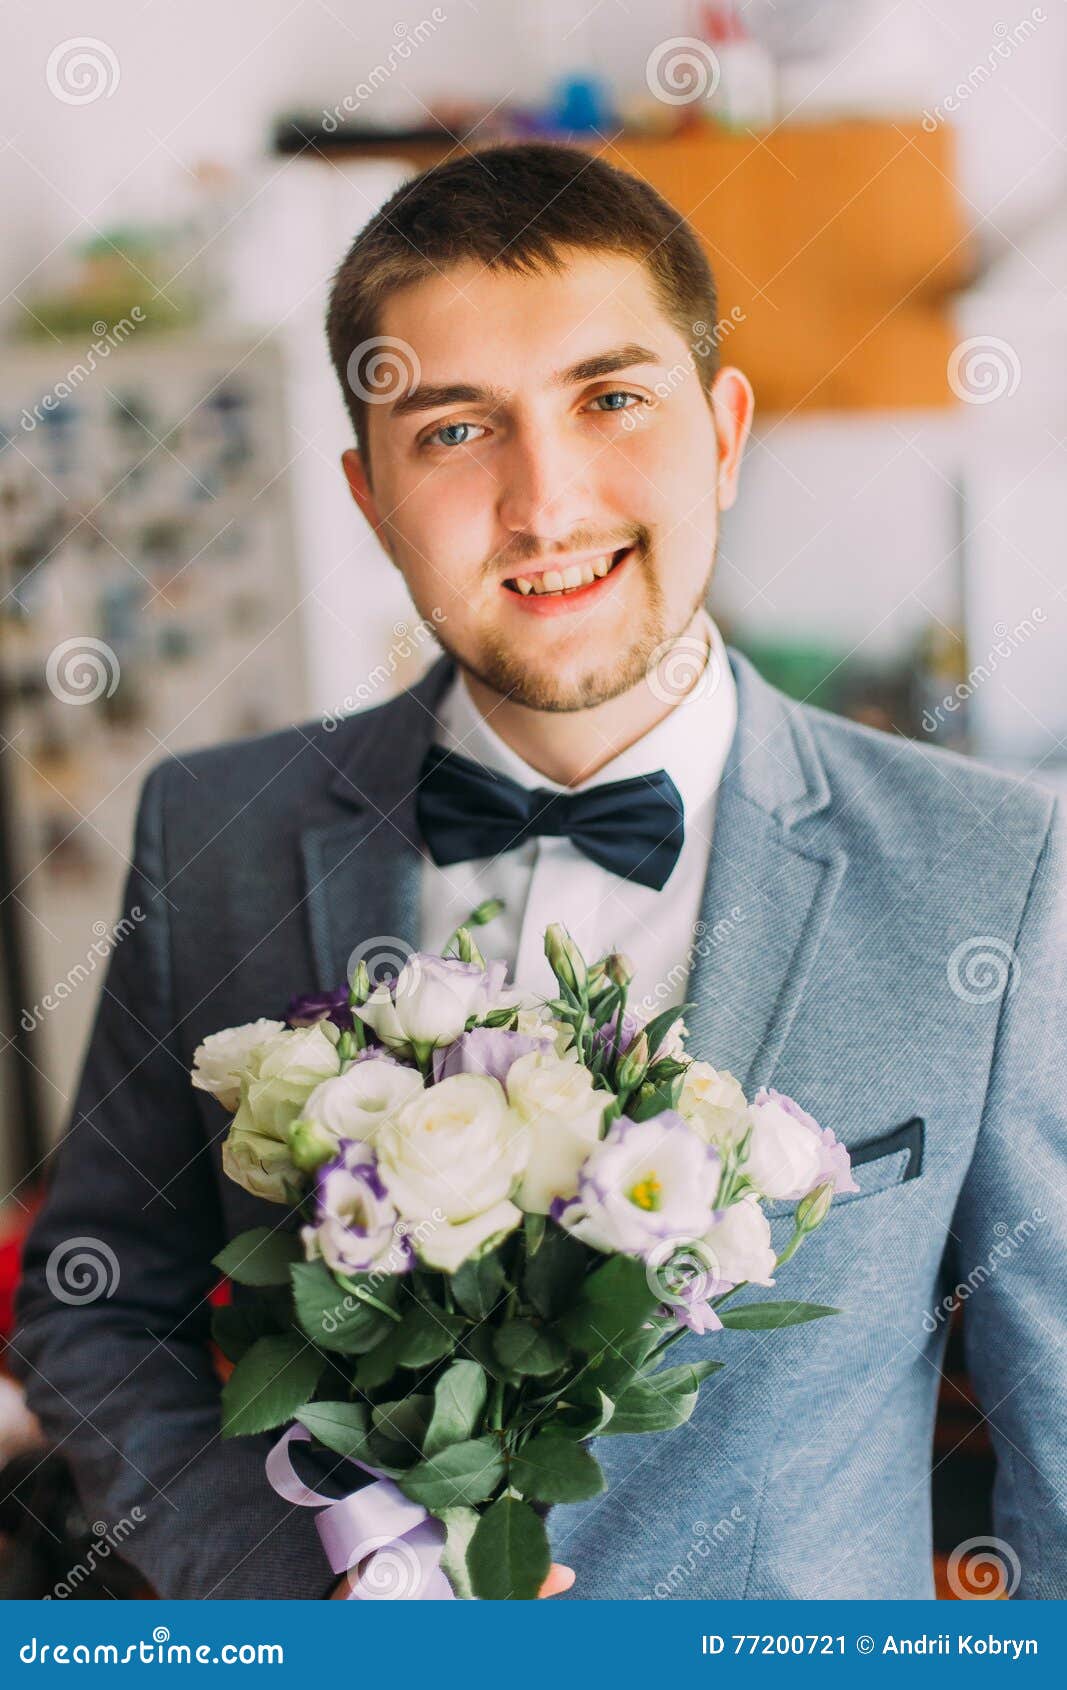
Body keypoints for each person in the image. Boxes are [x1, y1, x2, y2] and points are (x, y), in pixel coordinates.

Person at [12, 142, 1065, 1601]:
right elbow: (97, 1307)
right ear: (370, 495)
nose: (545, 503)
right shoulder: (215, 832)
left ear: (724, 433)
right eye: (454, 430)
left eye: (611, 398)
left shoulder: (997, 869)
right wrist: (293, 1599)